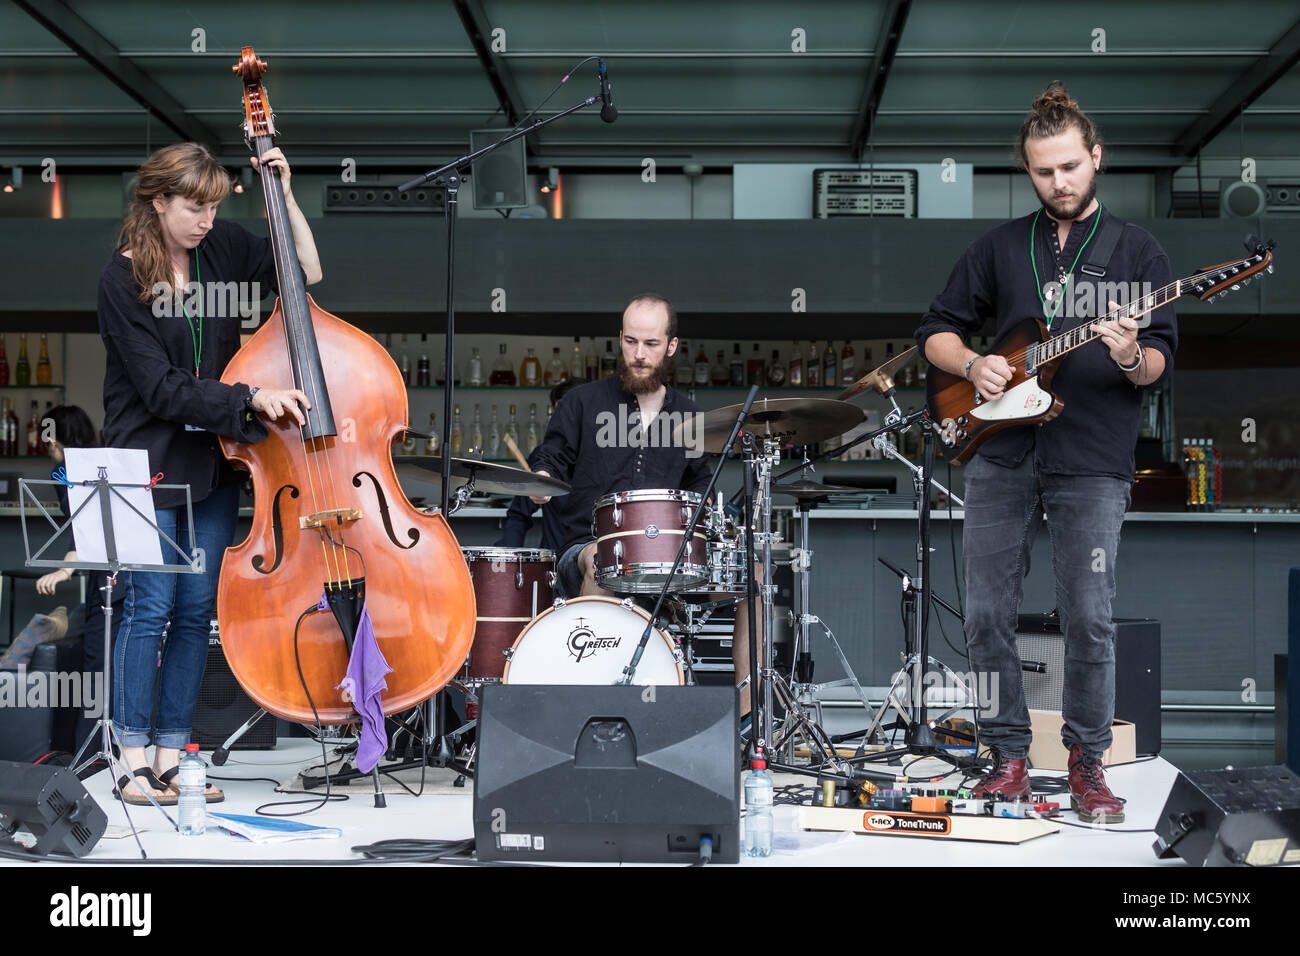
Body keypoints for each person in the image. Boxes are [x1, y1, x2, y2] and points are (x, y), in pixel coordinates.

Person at [914, 83, 1177, 823]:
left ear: (1096, 157)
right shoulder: (998, 248)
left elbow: (1158, 362)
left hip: (1092, 458)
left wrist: (1128, 354)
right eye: (1043, 172)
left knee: (1088, 614)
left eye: (1070, 166)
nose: (1059, 182)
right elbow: (933, 330)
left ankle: (1089, 764)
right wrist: (972, 365)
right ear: (1028, 172)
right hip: (1000, 453)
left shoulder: (1139, 251)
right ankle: (1007, 757)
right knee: (984, 614)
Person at [99, 142, 316, 805]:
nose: (208, 220)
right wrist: (249, 399)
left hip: (215, 466)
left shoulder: (220, 251)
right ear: (158, 201)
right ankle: (128, 757)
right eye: (195, 207)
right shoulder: (123, 279)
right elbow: (163, 391)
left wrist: (283, 192)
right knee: (149, 610)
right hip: (148, 465)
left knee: (196, 615)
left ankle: (170, 757)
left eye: (217, 206)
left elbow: (303, 271)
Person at [529, 294, 762, 715]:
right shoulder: (581, 404)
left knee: (754, 575)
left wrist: (722, 526)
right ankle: (591, 714)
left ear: (671, 346)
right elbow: (549, 460)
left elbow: (700, 490)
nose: (638, 355)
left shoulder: (690, 418)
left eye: (651, 344)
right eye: (630, 342)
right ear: (620, 339)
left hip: (670, 557)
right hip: (587, 549)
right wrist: (541, 481)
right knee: (603, 562)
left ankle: (749, 723)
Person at [34, 405, 122, 754]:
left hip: (108, 581)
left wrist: (65, 569)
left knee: (97, 663)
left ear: (52, 437)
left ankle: (91, 752)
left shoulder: (64, 471)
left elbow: (84, 531)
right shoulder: (107, 463)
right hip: (130, 573)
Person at [496, 378, 585, 551]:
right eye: (559, 414)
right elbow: (518, 515)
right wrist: (505, 563)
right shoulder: (541, 456)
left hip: (601, 562)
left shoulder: (609, 454)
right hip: (555, 565)